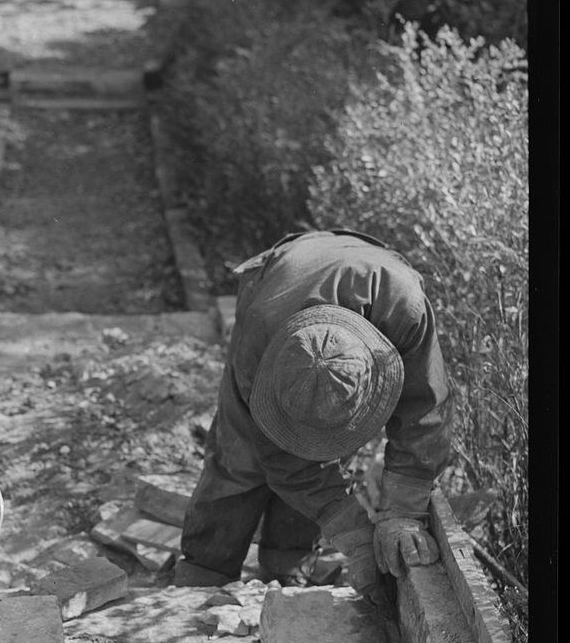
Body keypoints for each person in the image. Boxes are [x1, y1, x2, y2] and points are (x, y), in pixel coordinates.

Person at [173, 229, 453, 614]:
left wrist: (403, 513)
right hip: (277, 283)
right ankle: (203, 571)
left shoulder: (403, 309)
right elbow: (284, 458)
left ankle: (286, 565)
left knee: (323, 436)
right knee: (239, 453)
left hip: (359, 270)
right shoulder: (259, 341)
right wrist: (354, 535)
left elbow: (427, 407)